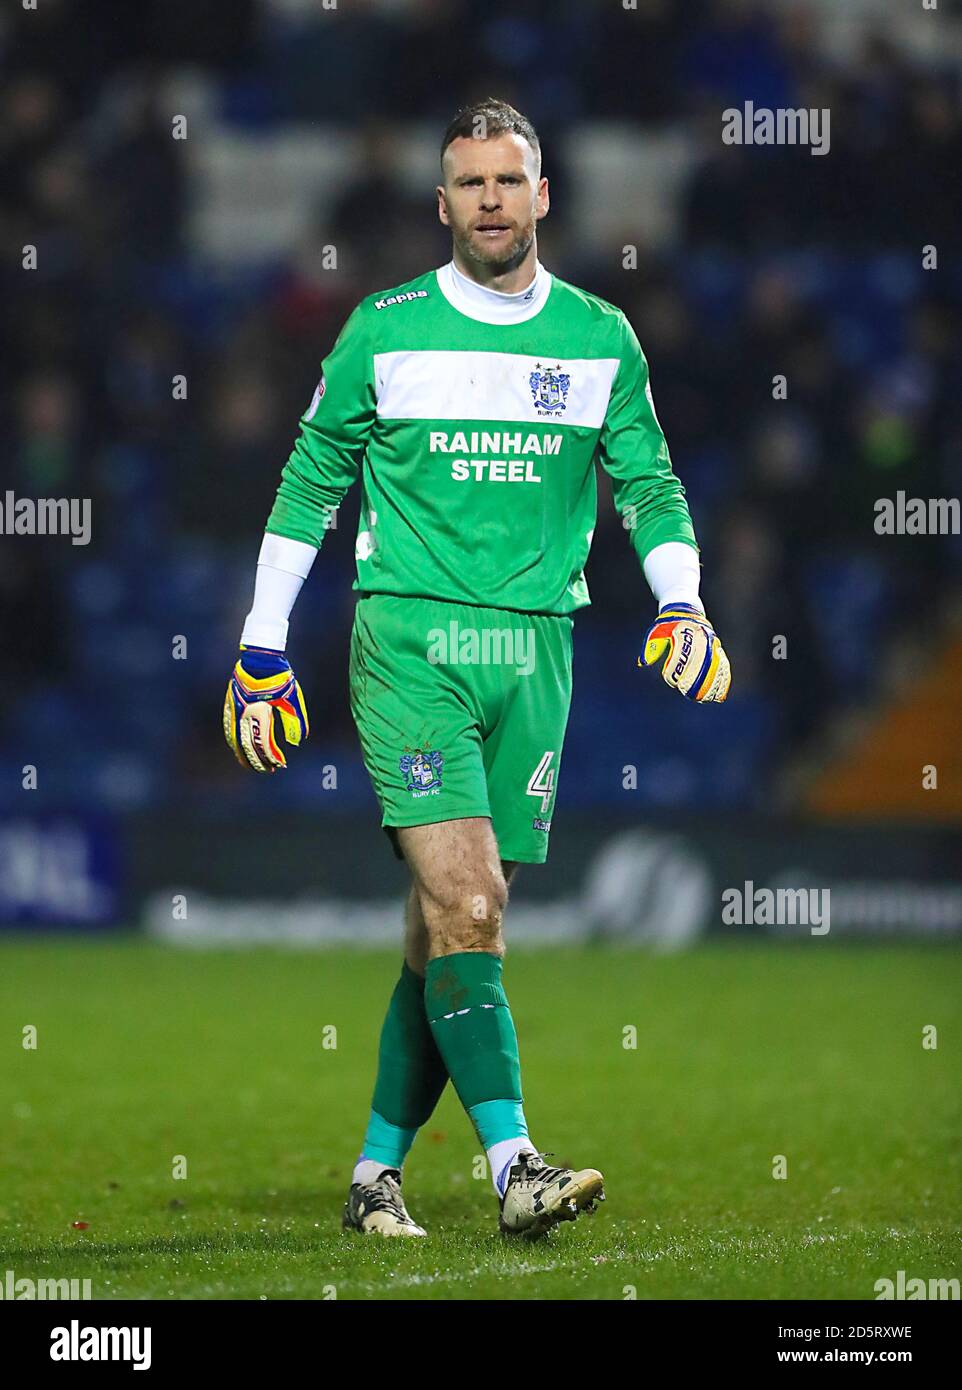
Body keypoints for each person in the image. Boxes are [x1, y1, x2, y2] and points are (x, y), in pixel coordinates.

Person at [224, 98, 730, 1239]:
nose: (491, 201)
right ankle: (515, 1168)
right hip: (411, 642)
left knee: (440, 931)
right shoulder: (383, 328)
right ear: (440, 201)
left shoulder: (599, 338)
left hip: (534, 648)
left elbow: (647, 485)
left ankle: (372, 1177)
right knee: (471, 899)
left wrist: (682, 599)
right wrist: (261, 645)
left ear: (541, 195)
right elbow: (309, 485)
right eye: (470, 183)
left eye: (510, 181)